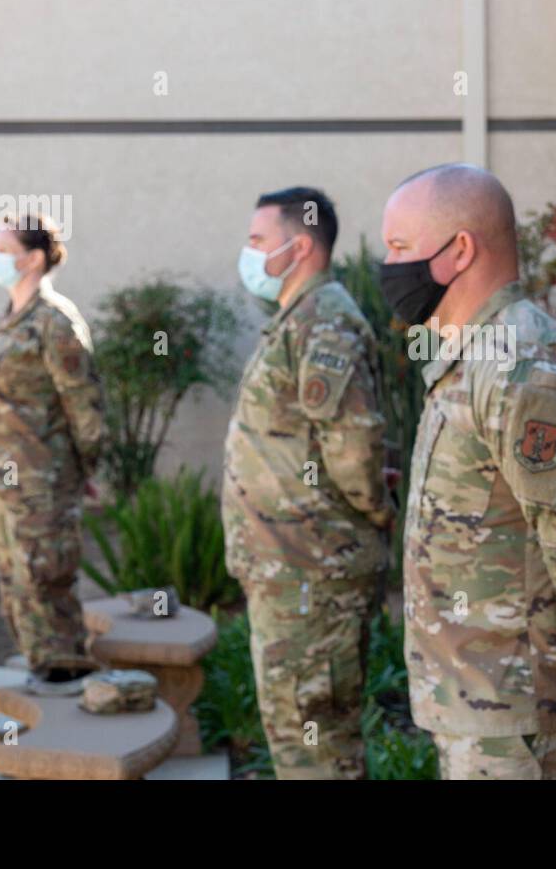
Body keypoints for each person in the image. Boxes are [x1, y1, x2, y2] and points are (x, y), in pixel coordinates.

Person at [380, 163, 556, 779]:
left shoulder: (523, 366)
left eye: (400, 249)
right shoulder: (473, 356)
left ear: (458, 251)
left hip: (526, 721)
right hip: (480, 709)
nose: (389, 266)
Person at [222, 186, 394, 778]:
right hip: (288, 574)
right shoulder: (299, 319)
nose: (247, 253)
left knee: (318, 745)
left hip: (314, 579)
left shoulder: (326, 322)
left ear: (299, 247)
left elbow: (354, 452)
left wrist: (375, 516)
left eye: (257, 241)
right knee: (298, 737)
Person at [0, 212, 105, 696]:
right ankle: (39, 662)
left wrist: (84, 467)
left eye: (4, 249)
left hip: (41, 479)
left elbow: (83, 402)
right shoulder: (7, 320)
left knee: (45, 579)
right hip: (2, 480)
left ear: (34, 258)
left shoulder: (54, 320)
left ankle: (66, 676)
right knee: (14, 582)